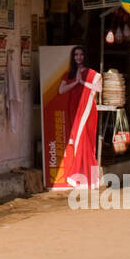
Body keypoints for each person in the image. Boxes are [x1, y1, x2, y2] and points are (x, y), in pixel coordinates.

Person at [57, 46, 101, 187]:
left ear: (85, 56)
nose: (79, 57)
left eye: (81, 54)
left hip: (87, 111)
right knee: (78, 142)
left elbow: (98, 89)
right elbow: (61, 90)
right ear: (73, 57)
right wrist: (76, 81)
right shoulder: (69, 74)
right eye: (76, 55)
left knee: (86, 142)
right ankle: (84, 177)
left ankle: (86, 178)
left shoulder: (91, 73)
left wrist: (83, 82)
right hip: (74, 110)